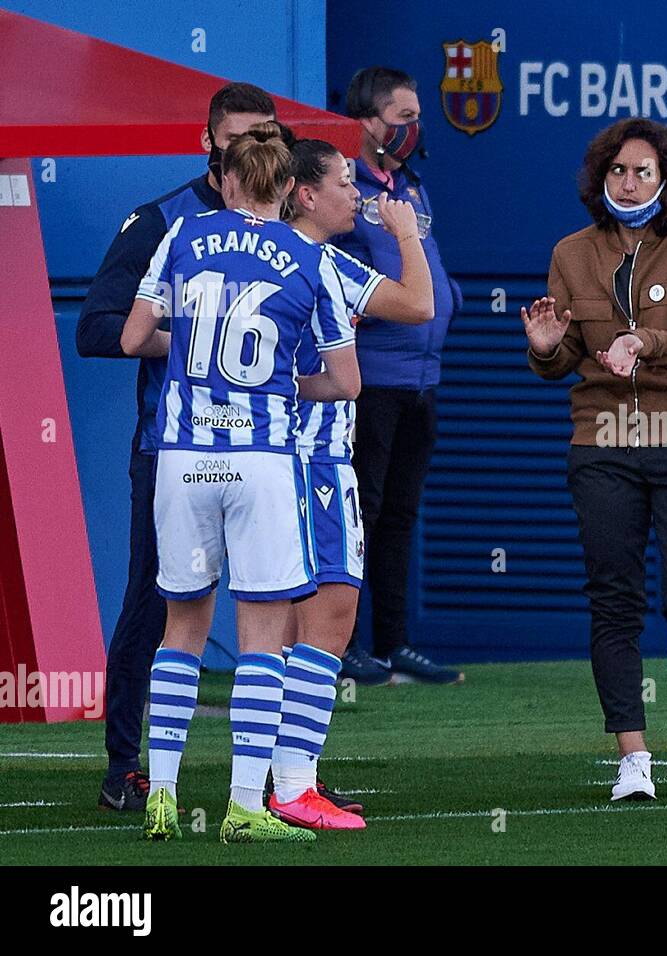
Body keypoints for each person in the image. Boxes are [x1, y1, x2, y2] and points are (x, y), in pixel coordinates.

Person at [121, 123, 361, 844]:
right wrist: (288, 379)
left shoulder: (183, 236)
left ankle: (159, 794)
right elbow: (345, 381)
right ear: (289, 189)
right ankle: (245, 805)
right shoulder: (307, 256)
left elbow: (133, 338)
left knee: (180, 630)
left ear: (224, 179)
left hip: (182, 458)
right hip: (260, 460)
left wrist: (195, 342)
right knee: (261, 637)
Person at [78, 83, 278, 813]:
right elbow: (98, 327)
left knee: (283, 603)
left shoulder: (290, 221)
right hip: (172, 447)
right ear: (209, 145)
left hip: (268, 449)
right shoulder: (163, 220)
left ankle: (288, 775)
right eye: (239, 139)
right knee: (156, 601)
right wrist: (204, 342)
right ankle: (126, 766)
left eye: (270, 135)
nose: (256, 151)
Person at [521, 118, 667, 801]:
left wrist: (641, 343)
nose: (629, 181)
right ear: (599, 178)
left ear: (665, 178)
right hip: (602, 440)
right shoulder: (572, 251)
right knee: (613, 598)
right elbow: (560, 363)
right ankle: (631, 756)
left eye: (642, 170)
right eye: (617, 170)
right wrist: (550, 346)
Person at [263, 139, 434, 829]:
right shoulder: (323, 262)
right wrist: (405, 232)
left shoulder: (253, 253)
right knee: (329, 619)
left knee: (273, 627)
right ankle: (293, 786)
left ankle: (272, 785)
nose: (356, 193)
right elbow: (419, 304)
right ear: (305, 194)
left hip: (261, 459)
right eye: (343, 181)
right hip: (314, 463)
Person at [330, 66, 463, 685]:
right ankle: (345, 644)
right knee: (364, 509)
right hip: (373, 377)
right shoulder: (344, 189)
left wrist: (450, 296)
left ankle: (394, 644)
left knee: (402, 513)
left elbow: (426, 266)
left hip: (422, 378)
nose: (413, 128)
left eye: (416, 116)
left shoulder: (410, 184)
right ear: (366, 122)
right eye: (402, 117)